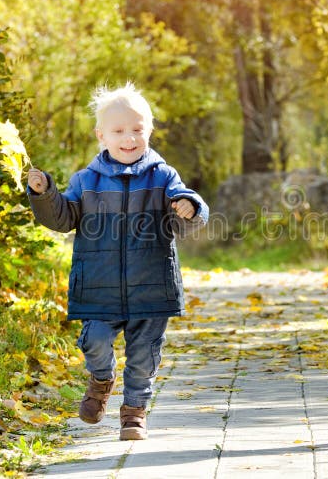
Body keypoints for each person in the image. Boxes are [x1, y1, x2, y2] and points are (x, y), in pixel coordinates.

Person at [26, 83, 208, 440]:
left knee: (143, 356)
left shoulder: (163, 177)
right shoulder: (86, 181)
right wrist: (44, 193)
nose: (129, 138)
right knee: (94, 339)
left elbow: (185, 208)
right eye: (119, 131)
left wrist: (189, 207)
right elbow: (62, 218)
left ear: (150, 132)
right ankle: (101, 379)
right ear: (101, 135)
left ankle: (134, 414)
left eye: (138, 130)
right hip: (98, 284)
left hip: (151, 285)